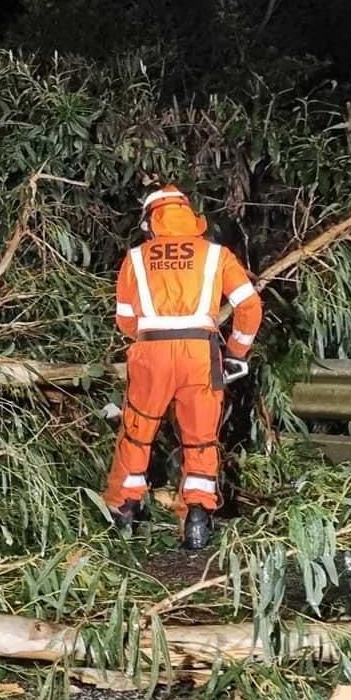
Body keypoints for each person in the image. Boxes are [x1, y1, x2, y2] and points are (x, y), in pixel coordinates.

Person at [103, 185, 263, 550]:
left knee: (137, 433)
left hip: (151, 354)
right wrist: (236, 352)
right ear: (191, 218)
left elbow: (126, 320)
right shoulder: (215, 255)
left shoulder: (137, 259)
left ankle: (123, 512)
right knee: (201, 437)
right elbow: (250, 307)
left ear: (149, 222)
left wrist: (151, 332)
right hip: (199, 354)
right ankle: (197, 521)